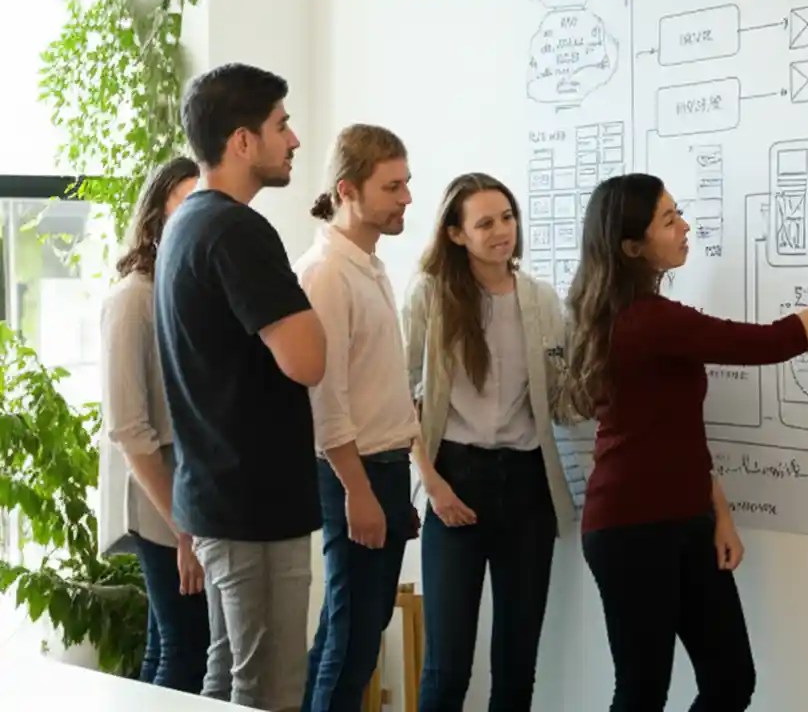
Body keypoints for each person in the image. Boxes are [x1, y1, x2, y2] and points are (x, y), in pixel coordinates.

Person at [561, 172, 808, 711]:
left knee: (729, 681)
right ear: (632, 247)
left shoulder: (639, 315)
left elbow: (673, 430)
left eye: (679, 212)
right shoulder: (646, 321)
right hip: (632, 531)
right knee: (641, 691)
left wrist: (716, 511)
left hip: (683, 521)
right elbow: (775, 343)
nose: (685, 227)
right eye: (669, 219)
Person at [154, 62, 326, 711]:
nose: (295, 140)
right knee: (269, 693)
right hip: (254, 505)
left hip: (218, 497)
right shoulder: (236, 231)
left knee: (224, 687)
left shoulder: (184, 225)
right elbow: (308, 359)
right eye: (282, 125)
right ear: (243, 140)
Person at [401, 172, 578, 712]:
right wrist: (432, 485)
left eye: (507, 217)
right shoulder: (430, 295)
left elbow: (564, 402)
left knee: (516, 663)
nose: (502, 231)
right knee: (447, 666)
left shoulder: (542, 298)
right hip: (455, 482)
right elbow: (399, 399)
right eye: (485, 222)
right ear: (456, 234)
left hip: (527, 487)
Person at [294, 124, 421, 712]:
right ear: (348, 189)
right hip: (357, 470)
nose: (406, 199)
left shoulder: (367, 264)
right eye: (392, 187)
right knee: (353, 641)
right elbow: (325, 396)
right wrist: (357, 491)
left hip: (384, 466)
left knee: (350, 637)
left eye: (406, 184)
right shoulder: (326, 273)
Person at [99, 156, 221, 695]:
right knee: (186, 650)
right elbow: (129, 429)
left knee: (168, 649)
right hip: (158, 497)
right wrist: (184, 529)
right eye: (186, 202)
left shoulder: (181, 292)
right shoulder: (133, 299)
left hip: (184, 492)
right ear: (155, 215)